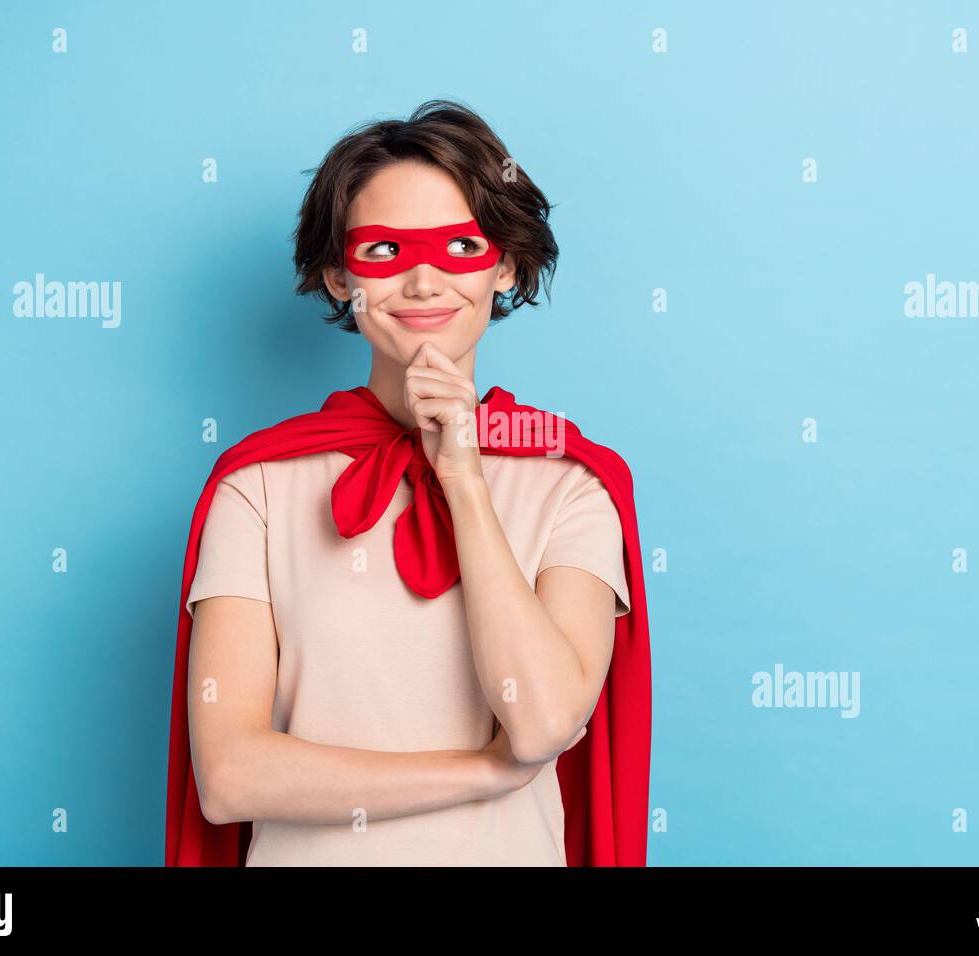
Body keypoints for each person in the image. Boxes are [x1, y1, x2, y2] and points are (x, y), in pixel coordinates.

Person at [166, 99, 650, 866]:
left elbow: (544, 721)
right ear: (337, 277)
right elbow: (227, 777)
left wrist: (463, 474)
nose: (423, 282)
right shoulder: (256, 487)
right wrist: (483, 773)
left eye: (461, 245)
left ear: (506, 267)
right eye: (385, 251)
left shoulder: (573, 485)